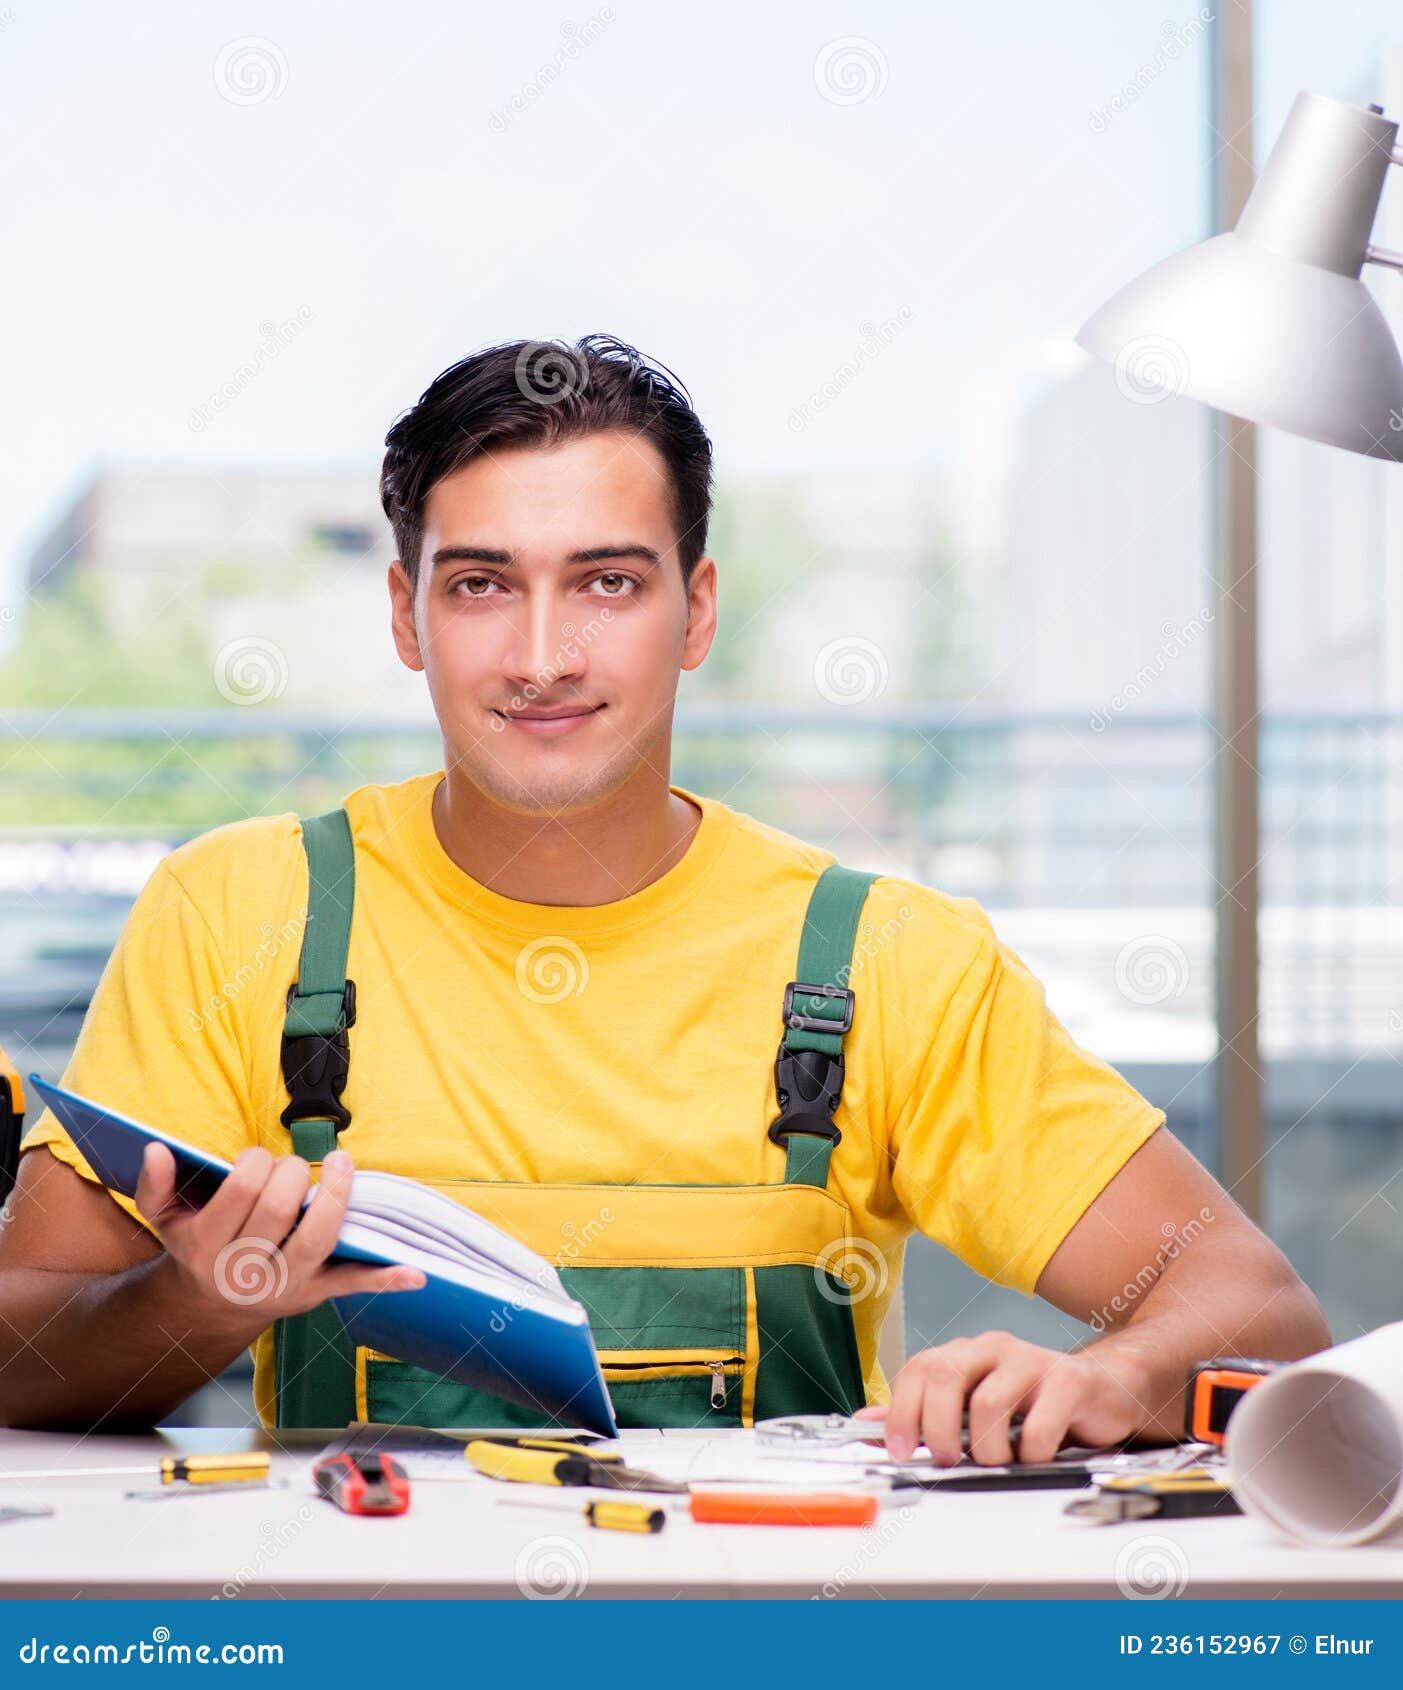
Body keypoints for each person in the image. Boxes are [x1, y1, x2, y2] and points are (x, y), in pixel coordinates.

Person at [0, 335, 1329, 1461]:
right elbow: (18, 1352)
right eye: (480, 585)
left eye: (607, 582)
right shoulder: (240, 916)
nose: (540, 656)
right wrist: (197, 1298)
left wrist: (1113, 1378)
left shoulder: (885, 960)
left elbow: (1256, 1307)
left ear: (695, 613)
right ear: (405, 615)